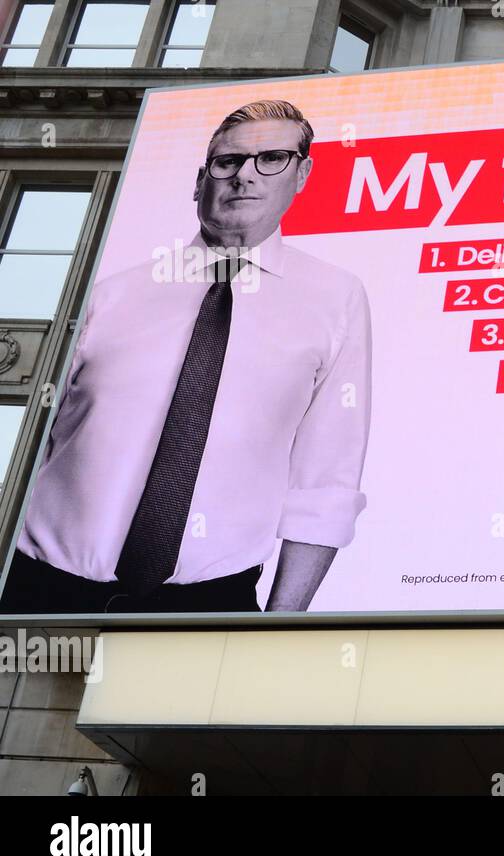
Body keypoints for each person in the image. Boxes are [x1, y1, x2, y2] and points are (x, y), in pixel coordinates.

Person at [0, 99, 372, 614]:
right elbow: (30, 444)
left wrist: (281, 628)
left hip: (209, 605)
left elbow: (325, 480)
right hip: (36, 588)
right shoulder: (110, 295)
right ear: (201, 181)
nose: (245, 176)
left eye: (272, 159)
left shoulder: (336, 299)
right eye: (228, 162)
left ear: (302, 173)